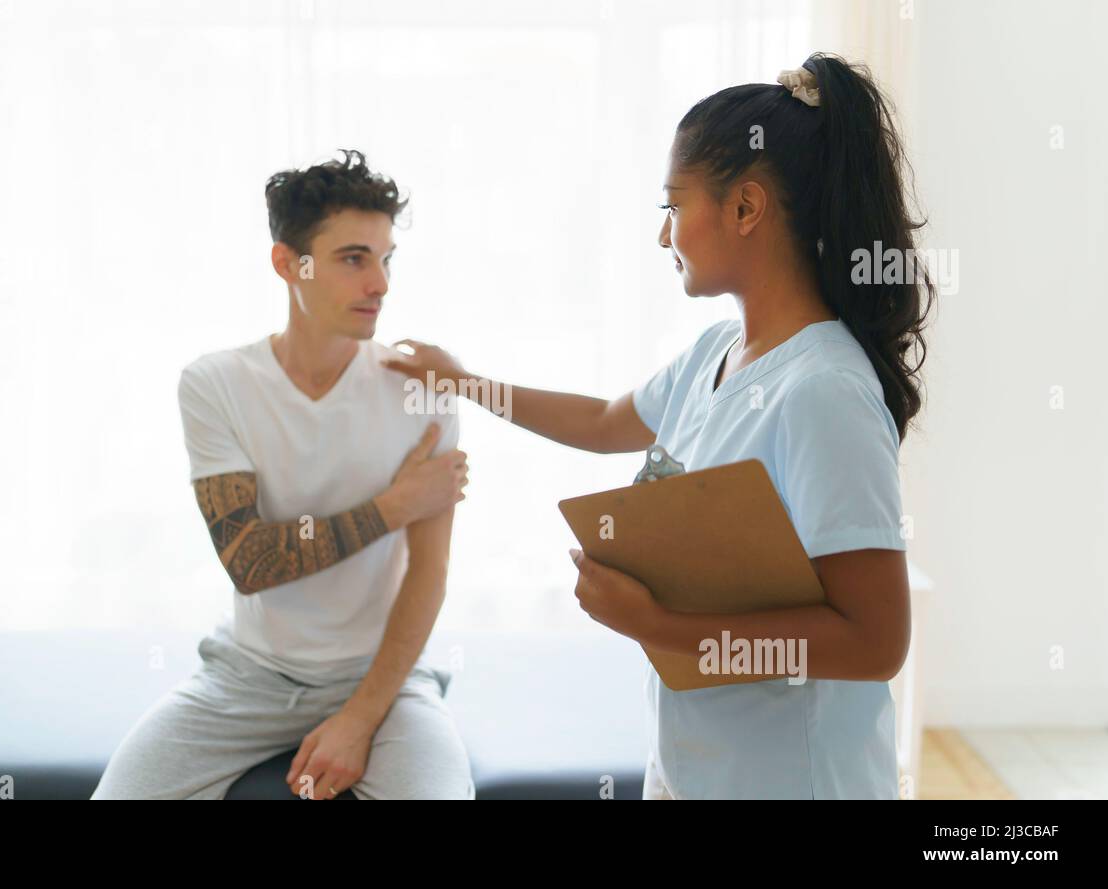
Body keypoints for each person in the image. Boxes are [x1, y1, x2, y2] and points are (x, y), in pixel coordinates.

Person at [384, 54, 933, 799]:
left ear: (744, 208)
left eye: (671, 206)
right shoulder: (717, 353)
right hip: (693, 769)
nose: (663, 235)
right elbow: (608, 420)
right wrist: (465, 382)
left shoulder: (824, 391)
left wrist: (658, 624)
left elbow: (874, 642)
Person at [93, 150, 474, 800]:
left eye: (386, 259)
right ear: (287, 263)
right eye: (354, 258)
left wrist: (358, 717)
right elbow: (250, 559)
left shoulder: (422, 390)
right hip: (247, 674)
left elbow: (428, 575)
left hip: (383, 677)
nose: (379, 282)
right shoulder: (216, 384)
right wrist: (393, 505)